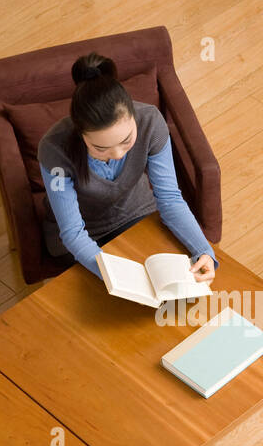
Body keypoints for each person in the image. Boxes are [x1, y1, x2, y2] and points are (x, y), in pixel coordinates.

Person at [36, 53, 217, 281]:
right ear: (81, 135)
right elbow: (72, 233)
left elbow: (170, 199)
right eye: (101, 148)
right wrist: (117, 277)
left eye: (126, 141)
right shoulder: (55, 149)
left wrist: (205, 251)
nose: (118, 154)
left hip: (136, 214)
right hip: (80, 236)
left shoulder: (150, 122)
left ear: (134, 116)